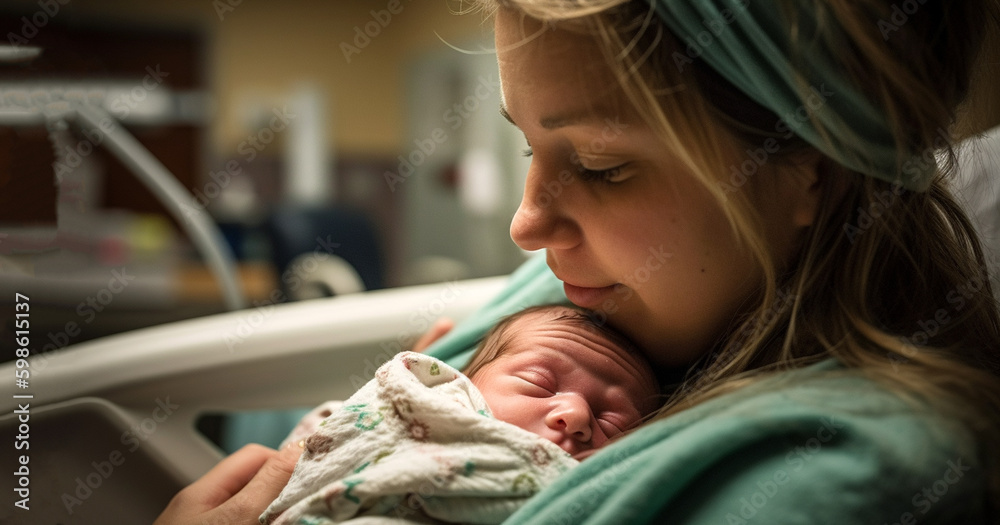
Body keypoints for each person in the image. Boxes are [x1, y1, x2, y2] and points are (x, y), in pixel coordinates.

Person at [156, 1, 1000, 523]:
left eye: (600, 165)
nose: (527, 225)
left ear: (807, 168)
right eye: (527, 145)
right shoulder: (611, 292)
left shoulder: (845, 470)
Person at [259, 304, 659, 524]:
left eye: (612, 422)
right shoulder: (423, 401)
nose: (574, 413)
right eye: (540, 382)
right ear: (460, 382)